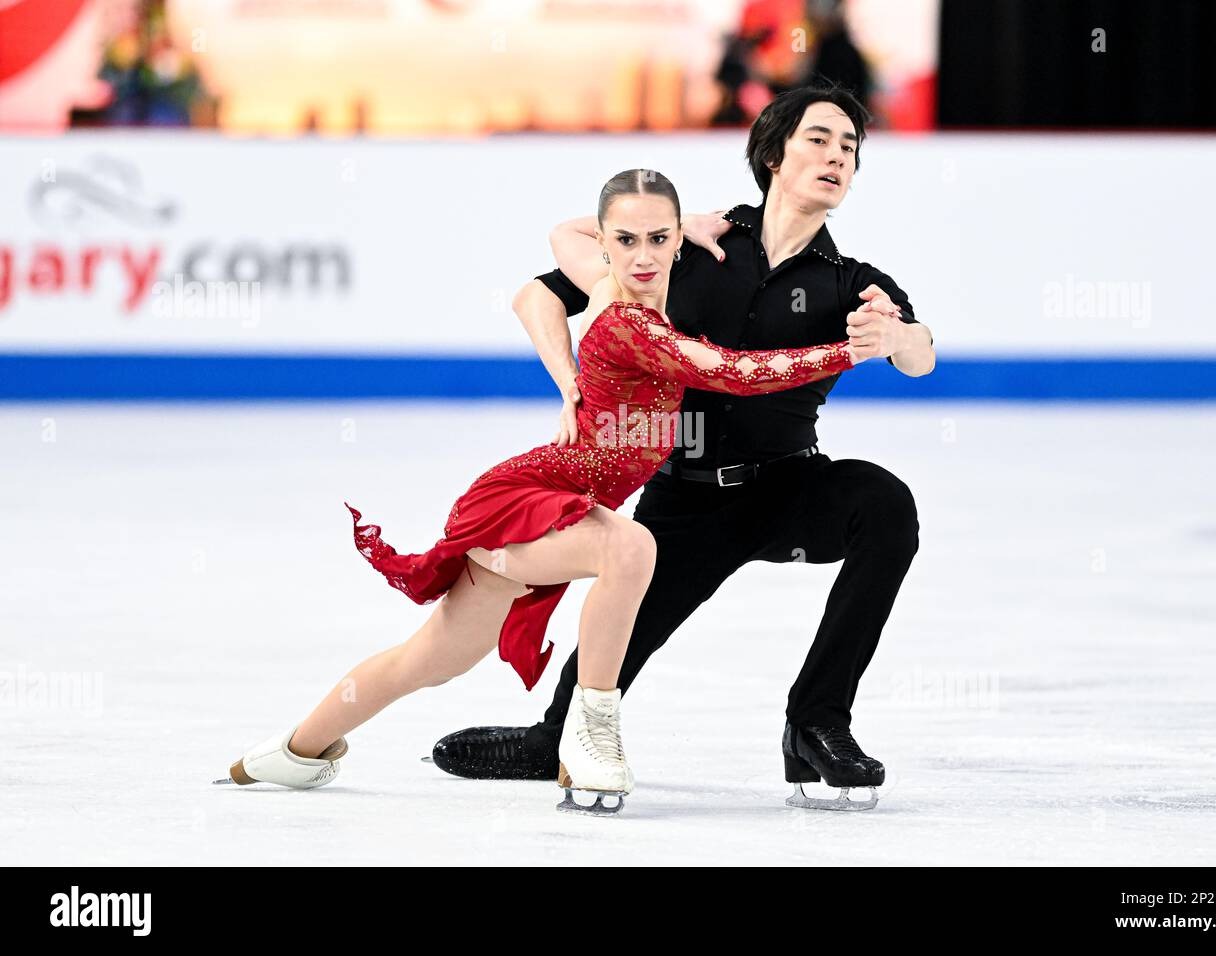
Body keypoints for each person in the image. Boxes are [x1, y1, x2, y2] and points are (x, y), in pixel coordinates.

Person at [218, 168, 862, 813]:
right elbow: (740, 373)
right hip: (523, 502)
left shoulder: (627, 286)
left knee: (431, 661)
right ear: (606, 244)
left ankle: (293, 753)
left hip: (560, 511)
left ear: (678, 243)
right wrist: (850, 350)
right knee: (630, 548)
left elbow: (562, 232)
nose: (642, 255)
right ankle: (592, 735)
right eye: (625, 240)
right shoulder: (627, 320)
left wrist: (684, 221)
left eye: (658, 239)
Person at [432, 84, 935, 808]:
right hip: (686, 497)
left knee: (887, 505)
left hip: (789, 488)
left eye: (850, 149)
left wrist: (898, 338)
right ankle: (554, 739)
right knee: (604, 662)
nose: (836, 157)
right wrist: (571, 385)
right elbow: (546, 287)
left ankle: (816, 722)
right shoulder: (690, 247)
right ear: (772, 154)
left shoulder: (851, 284)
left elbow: (921, 352)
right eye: (819, 139)